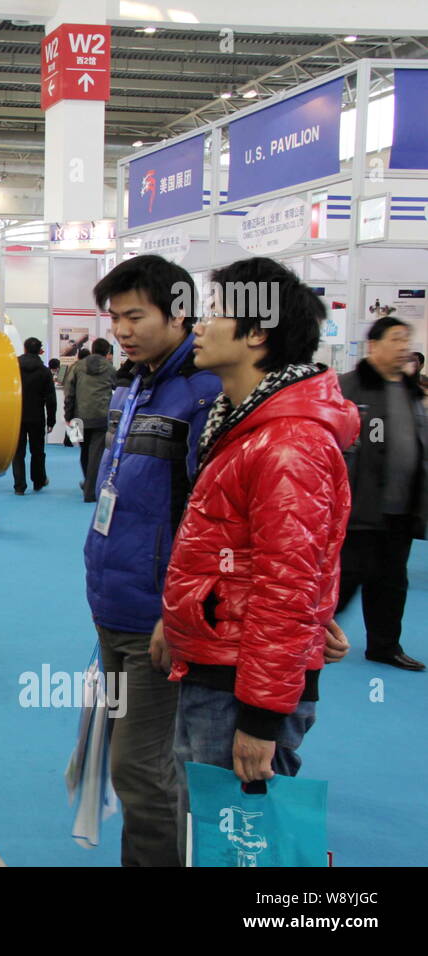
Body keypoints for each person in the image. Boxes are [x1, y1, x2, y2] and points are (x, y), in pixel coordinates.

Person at [162, 258, 358, 863]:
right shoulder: (246, 425)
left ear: (258, 334)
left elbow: (286, 583)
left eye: (216, 310)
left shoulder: (287, 442)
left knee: (247, 845)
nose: (198, 323)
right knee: (218, 838)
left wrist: (261, 717)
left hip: (240, 687)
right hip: (221, 665)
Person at [83, 254, 221, 867]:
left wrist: (177, 609)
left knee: (140, 767)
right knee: (126, 759)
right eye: (115, 318)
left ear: (178, 312)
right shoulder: (134, 380)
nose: (123, 329)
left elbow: (207, 518)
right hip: (112, 602)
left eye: (135, 316)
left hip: (159, 620)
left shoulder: (205, 391)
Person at [335, 316, 428, 671]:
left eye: (406, 339)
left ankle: (384, 646)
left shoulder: (410, 390)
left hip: (400, 510)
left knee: (392, 582)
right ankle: (307, 637)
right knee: (345, 579)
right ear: (373, 345)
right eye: (395, 339)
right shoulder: (347, 387)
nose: (403, 346)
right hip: (358, 509)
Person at [64, 338, 117, 503]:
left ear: (93, 349)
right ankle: (90, 489)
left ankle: (88, 482)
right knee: (96, 454)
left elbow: (69, 391)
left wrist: (68, 414)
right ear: (107, 351)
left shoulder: (77, 366)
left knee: (84, 451)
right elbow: (117, 387)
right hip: (101, 417)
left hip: (79, 417)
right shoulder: (110, 368)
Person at [12, 337, 56, 494]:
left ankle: (19, 486)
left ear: (24, 349)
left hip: (16, 416)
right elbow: (50, 398)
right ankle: (38, 481)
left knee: (18, 452)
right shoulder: (44, 371)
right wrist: (51, 419)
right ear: (39, 351)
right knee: (37, 451)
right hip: (37, 416)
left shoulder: (13, 368)